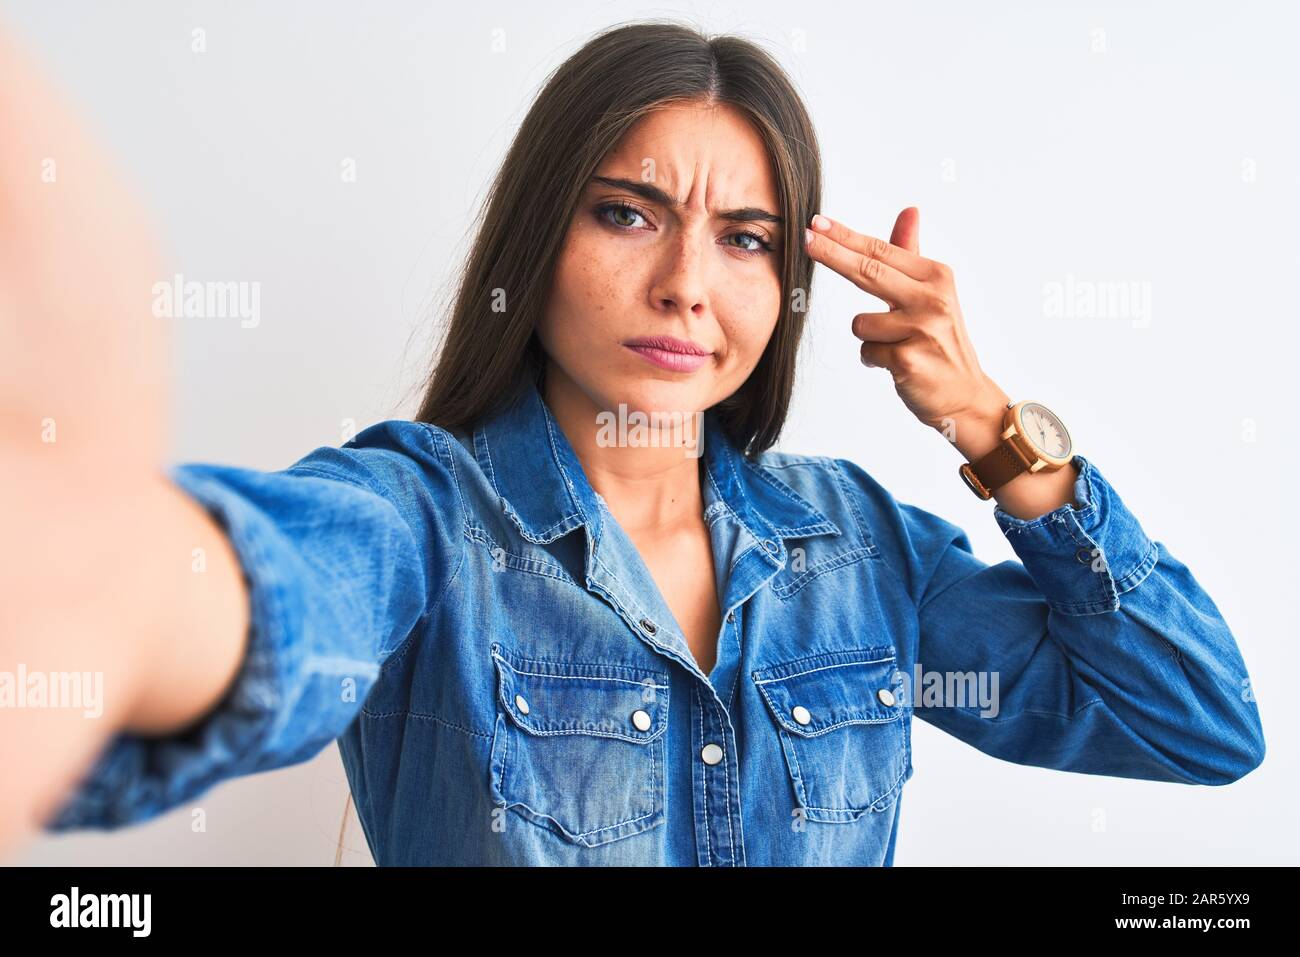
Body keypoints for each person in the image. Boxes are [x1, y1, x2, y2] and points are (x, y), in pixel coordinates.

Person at [2, 20, 1264, 866]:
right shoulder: (420, 520)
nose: (685, 285)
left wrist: (995, 430)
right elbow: (258, 596)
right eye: (626, 214)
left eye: (746, 239)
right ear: (536, 244)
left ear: (788, 288)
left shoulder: (861, 549)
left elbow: (1196, 724)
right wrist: (92, 573)